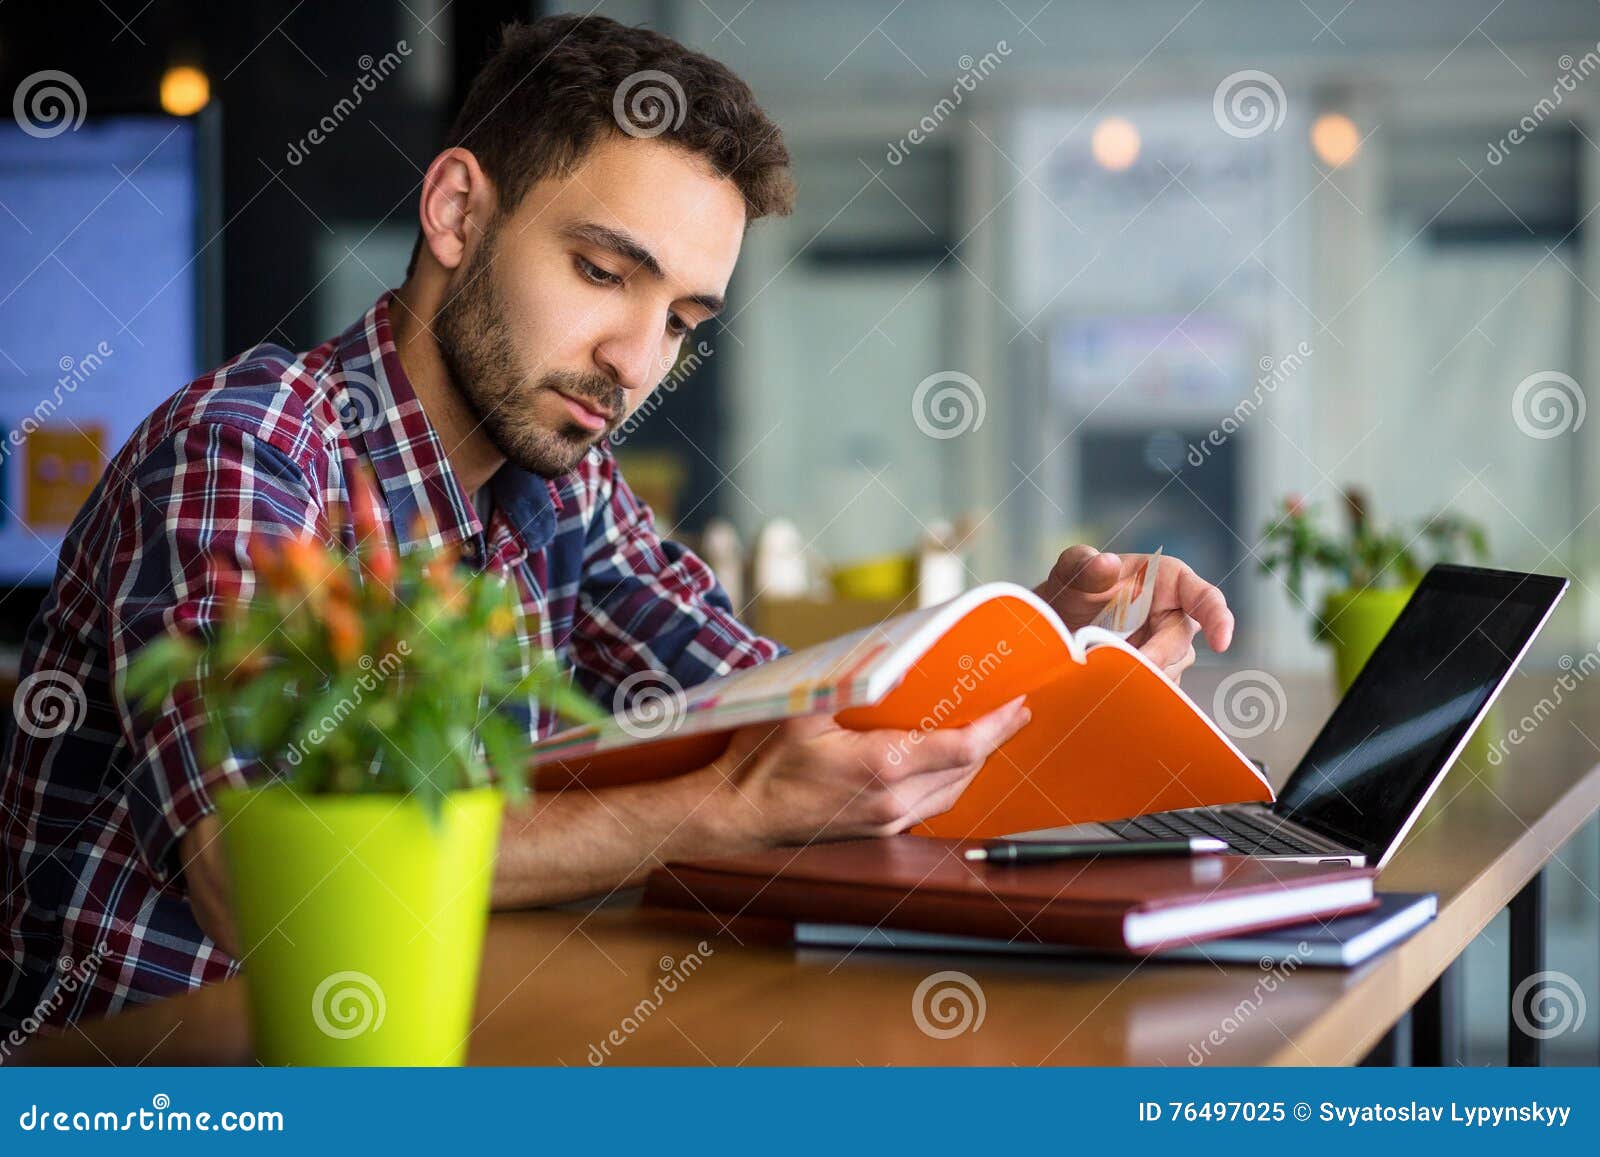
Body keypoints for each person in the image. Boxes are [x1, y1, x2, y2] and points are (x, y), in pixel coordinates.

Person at [0, 14, 1233, 1029]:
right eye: (602, 272)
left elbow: (802, 720)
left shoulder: (563, 487)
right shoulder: (246, 451)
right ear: (456, 212)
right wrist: (721, 810)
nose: (635, 362)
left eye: (682, 321)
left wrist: (1037, 650)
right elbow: (259, 881)